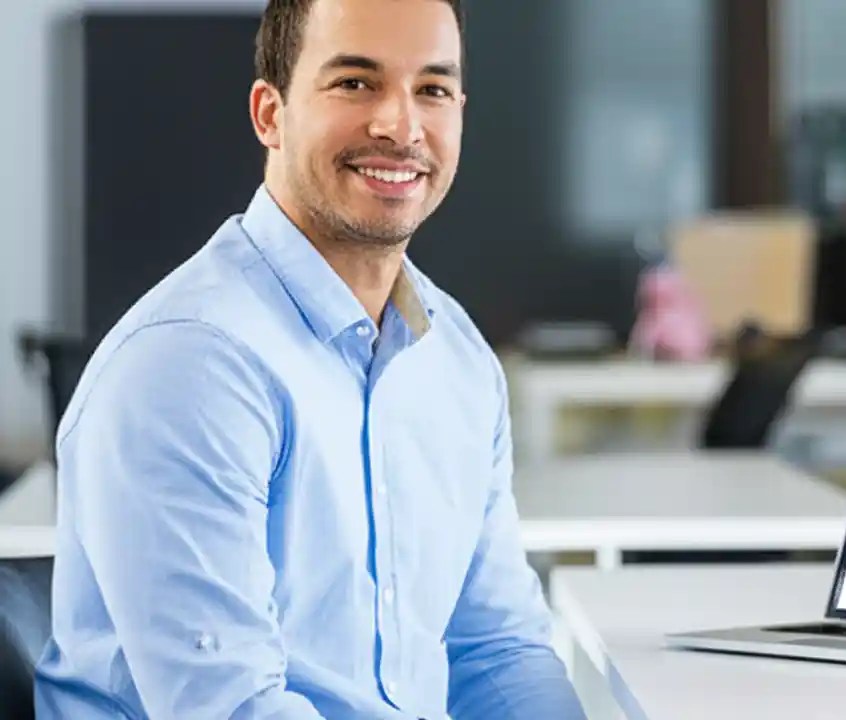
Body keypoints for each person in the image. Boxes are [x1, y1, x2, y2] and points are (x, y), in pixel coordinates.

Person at [33, 0, 586, 717]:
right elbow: (231, 707)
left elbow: (497, 651)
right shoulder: (189, 365)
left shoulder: (457, 358)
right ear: (270, 113)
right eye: (355, 83)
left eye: (433, 89)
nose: (401, 125)